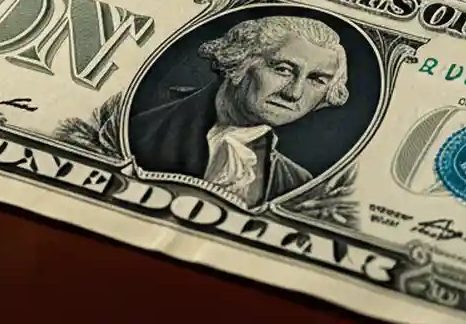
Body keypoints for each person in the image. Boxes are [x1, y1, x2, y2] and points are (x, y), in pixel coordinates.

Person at [128, 15, 349, 207]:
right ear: (239, 62)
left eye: (316, 80)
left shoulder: (295, 181)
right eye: (283, 70)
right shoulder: (139, 128)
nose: (294, 93)